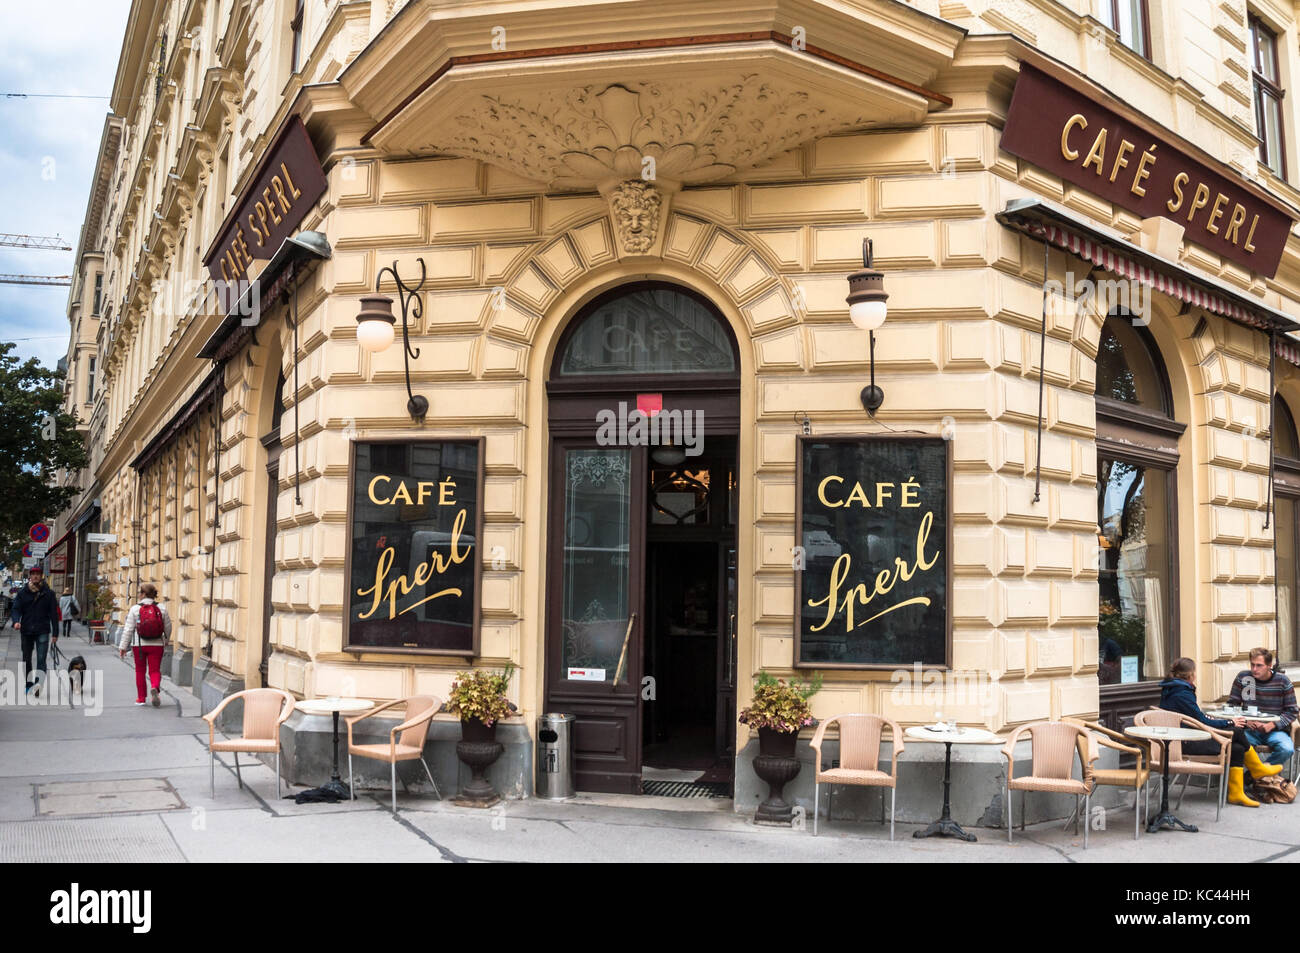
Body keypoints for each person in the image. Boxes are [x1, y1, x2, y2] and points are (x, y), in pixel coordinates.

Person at [1160, 657, 1283, 808]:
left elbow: (1196, 717)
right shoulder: (1182, 693)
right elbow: (1202, 722)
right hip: (1186, 744)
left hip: (1185, 738)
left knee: (1237, 747)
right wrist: (1229, 722)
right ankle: (1257, 768)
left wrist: (1214, 719)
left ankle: (1236, 794)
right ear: (1190, 674)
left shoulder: (1173, 689)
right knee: (1236, 732)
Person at [1227, 648, 1297, 768]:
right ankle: (1249, 778)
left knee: (1286, 749)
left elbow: (1292, 711)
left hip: (1275, 731)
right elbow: (1232, 706)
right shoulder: (1243, 677)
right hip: (1248, 730)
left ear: (1269, 665)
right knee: (1232, 745)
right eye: (1252, 665)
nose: (1254, 669)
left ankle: (1255, 776)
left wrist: (1272, 725)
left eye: (1259, 665)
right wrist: (1245, 721)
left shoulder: (1282, 681)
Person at [117, 583, 172, 707]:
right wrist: (166, 639)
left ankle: (141, 699)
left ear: (143, 594)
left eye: (139, 593)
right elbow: (168, 626)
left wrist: (123, 647)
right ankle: (155, 687)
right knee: (155, 670)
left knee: (140, 671)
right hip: (157, 644)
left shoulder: (135, 609)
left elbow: (128, 629)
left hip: (139, 645)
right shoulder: (162, 608)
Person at [12, 566, 60, 695]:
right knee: (26, 658)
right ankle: (28, 683)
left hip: (42, 629)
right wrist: (16, 621)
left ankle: (38, 685)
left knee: (41, 659)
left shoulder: (48, 593)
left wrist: (55, 633)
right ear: (30, 576)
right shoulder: (23, 593)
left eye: (38, 574)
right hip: (26, 630)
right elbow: (16, 608)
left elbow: (53, 614)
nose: (36, 576)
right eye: (33, 574)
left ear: (41, 576)